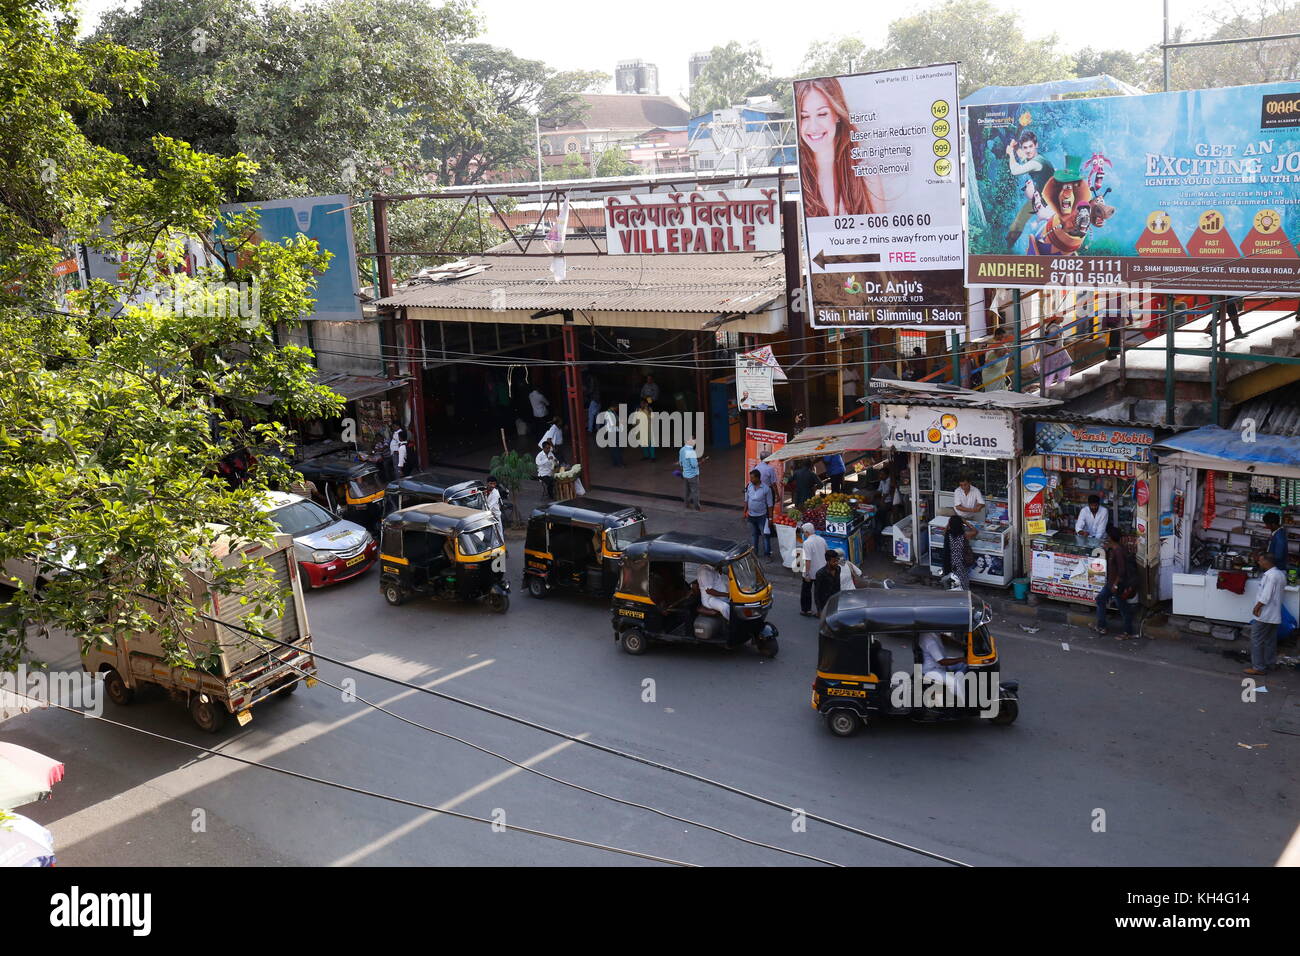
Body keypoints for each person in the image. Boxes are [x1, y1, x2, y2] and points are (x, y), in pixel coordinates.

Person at [795, 77, 883, 218]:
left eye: (822, 114)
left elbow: (884, 234)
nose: (813, 127)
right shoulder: (801, 181)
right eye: (804, 117)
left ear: (837, 115)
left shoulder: (866, 176)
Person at [1004, 130, 1055, 248]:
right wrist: (1015, 148)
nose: (1028, 150)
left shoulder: (1038, 162)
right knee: (1017, 223)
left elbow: (1015, 171)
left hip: (1049, 203)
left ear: (1036, 145)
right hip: (1039, 199)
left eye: (1031, 146)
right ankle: (1008, 248)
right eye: (1025, 147)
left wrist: (1010, 153)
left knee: (1044, 231)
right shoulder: (1034, 158)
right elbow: (1024, 158)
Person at [1245, 552, 1284, 675]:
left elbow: (1266, 596)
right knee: (1270, 640)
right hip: (1274, 614)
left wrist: (1257, 607)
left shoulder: (1271, 576)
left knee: (1256, 639)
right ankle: (1270, 663)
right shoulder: (1280, 574)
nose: (1259, 562)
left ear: (1267, 561)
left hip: (1265, 614)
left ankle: (1258, 667)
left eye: (1261, 560)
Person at [1095, 527, 1136, 639]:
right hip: (1111, 583)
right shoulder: (1113, 549)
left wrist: (1116, 584)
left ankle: (1128, 632)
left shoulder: (1118, 551)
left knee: (1123, 608)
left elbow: (1122, 570)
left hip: (1117, 585)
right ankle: (1101, 626)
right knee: (1100, 599)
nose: (1106, 538)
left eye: (1107, 536)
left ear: (1111, 538)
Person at [798, 522, 827, 617]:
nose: (803, 534)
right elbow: (826, 553)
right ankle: (821, 611)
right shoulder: (821, 539)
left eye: (804, 532)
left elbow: (808, 560)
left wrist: (806, 574)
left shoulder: (807, 543)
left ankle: (806, 610)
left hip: (812, 572)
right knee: (820, 593)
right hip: (822, 570)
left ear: (807, 532)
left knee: (806, 591)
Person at [744, 469, 775, 559]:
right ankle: (755, 553)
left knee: (765, 536)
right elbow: (746, 500)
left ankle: (767, 554)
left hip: (762, 516)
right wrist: (744, 512)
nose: (751, 480)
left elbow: (770, 505)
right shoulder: (749, 486)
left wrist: (770, 518)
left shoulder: (766, 489)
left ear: (758, 478)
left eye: (752, 478)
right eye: (750, 478)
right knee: (754, 535)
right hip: (751, 516)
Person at [943, 515, 978, 589]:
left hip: (950, 562)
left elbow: (944, 531)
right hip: (961, 562)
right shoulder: (964, 535)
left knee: (952, 580)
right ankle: (963, 594)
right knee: (962, 580)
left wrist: (949, 523)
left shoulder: (948, 535)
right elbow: (975, 531)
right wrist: (966, 522)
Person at [679, 437, 702, 511]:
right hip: (693, 475)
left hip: (685, 474)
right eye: (693, 440)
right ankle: (697, 507)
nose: (695, 441)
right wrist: (698, 463)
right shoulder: (691, 451)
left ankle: (686, 504)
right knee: (695, 492)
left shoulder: (682, 450)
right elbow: (694, 465)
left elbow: (680, 462)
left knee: (686, 491)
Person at [598, 403, 624, 467]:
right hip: (612, 433)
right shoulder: (609, 413)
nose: (617, 409)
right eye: (616, 407)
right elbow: (614, 423)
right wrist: (621, 422)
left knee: (614, 448)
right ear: (613, 407)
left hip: (613, 432)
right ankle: (619, 463)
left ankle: (615, 462)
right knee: (616, 449)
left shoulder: (612, 412)